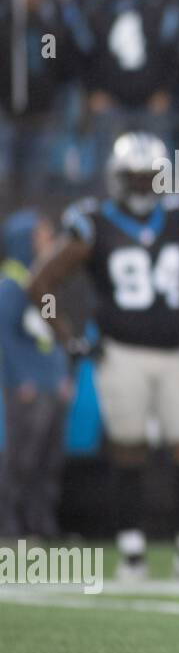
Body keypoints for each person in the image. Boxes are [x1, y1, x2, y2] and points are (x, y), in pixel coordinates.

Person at [26, 132, 179, 579]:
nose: (143, 186)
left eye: (150, 177)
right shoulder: (93, 222)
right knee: (129, 449)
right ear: (117, 179)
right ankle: (133, 553)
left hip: (176, 353)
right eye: (134, 178)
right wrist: (70, 339)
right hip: (121, 353)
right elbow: (40, 283)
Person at [0, 210, 69, 540]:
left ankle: (41, 524)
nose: (49, 241)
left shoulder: (43, 285)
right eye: (41, 235)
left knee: (48, 459)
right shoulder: (11, 285)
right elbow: (6, 337)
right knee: (21, 458)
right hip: (26, 385)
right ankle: (10, 525)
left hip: (49, 383)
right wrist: (20, 378)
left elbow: (53, 334)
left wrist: (61, 374)